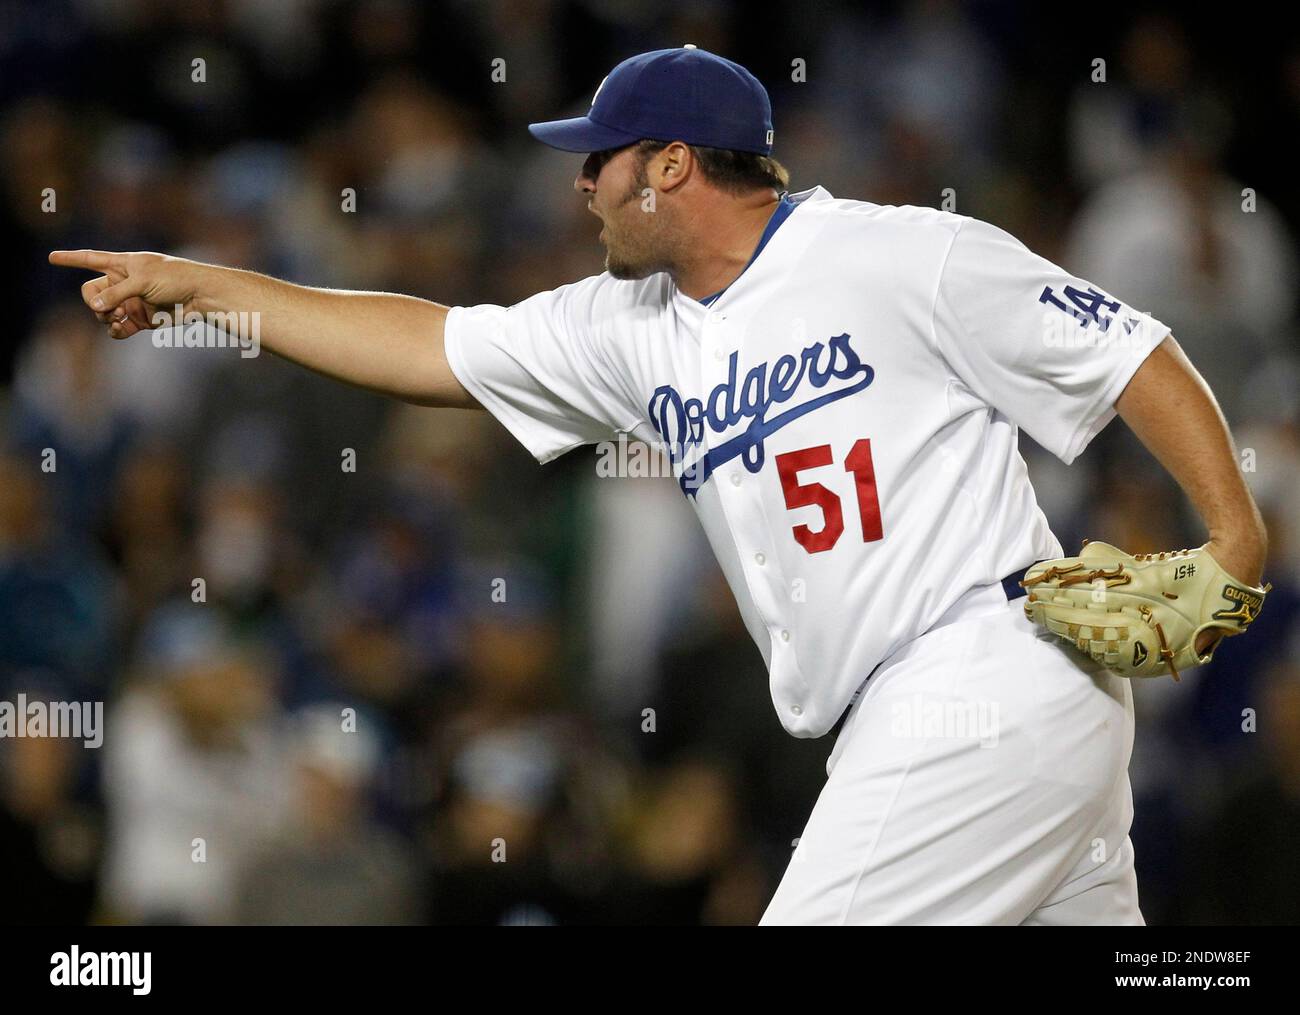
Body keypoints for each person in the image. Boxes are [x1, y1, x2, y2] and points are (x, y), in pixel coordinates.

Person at [50, 46, 1268, 924]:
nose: (578, 185)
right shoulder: (629, 325)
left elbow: (1125, 347)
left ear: (672, 165)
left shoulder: (898, 254)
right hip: (936, 710)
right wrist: (204, 286)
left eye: (601, 161)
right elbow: (426, 345)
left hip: (982, 670)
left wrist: (1233, 537)